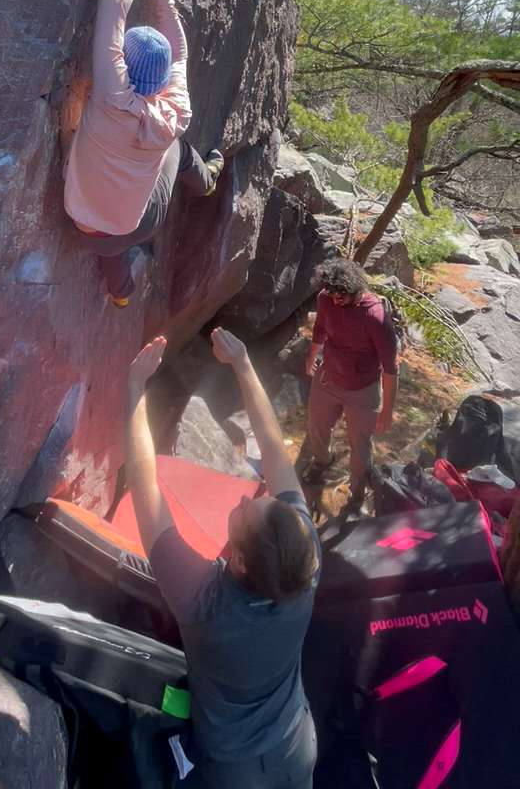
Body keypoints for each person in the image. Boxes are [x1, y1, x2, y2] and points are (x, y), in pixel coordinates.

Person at [125, 328, 320, 788]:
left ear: (239, 564)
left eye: (243, 511)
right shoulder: (303, 565)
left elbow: (144, 485)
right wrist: (243, 362)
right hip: (297, 747)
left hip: (235, 771)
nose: (244, 499)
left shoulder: (203, 602)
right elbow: (274, 450)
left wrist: (134, 388)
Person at [64, 0, 224, 306]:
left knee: (108, 248)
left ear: (121, 63)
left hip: (80, 222)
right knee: (179, 150)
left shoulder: (109, 95)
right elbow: (180, 52)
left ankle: (121, 292)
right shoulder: (176, 111)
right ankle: (207, 181)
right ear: (164, 78)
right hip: (137, 224)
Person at [303, 257, 399, 509]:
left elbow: (391, 368)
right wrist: (311, 357)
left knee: (360, 446)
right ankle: (323, 460)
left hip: (363, 389)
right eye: (332, 294)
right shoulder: (326, 298)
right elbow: (321, 328)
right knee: (317, 425)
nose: (336, 299)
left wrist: (387, 410)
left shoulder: (374, 315)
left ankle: (356, 493)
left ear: (355, 287)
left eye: (341, 295)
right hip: (328, 378)